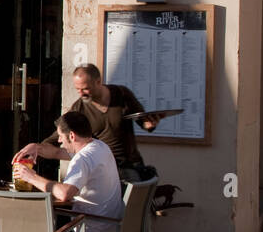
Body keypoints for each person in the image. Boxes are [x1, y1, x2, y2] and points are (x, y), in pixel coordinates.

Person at [12, 110, 127, 232]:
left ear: (72, 135)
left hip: (90, 229)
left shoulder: (83, 159)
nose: (59, 140)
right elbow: (58, 152)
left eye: (60, 136)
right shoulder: (99, 147)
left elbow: (65, 194)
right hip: (110, 225)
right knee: (52, 221)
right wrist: (36, 147)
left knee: (40, 225)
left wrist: (31, 177)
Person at [14, 64, 157, 181]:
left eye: (85, 89)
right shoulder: (79, 108)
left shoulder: (121, 94)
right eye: (78, 89)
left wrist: (149, 124)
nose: (82, 94)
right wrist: (36, 147)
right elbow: (56, 138)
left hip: (132, 166)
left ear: (98, 82)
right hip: (106, 170)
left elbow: (143, 121)